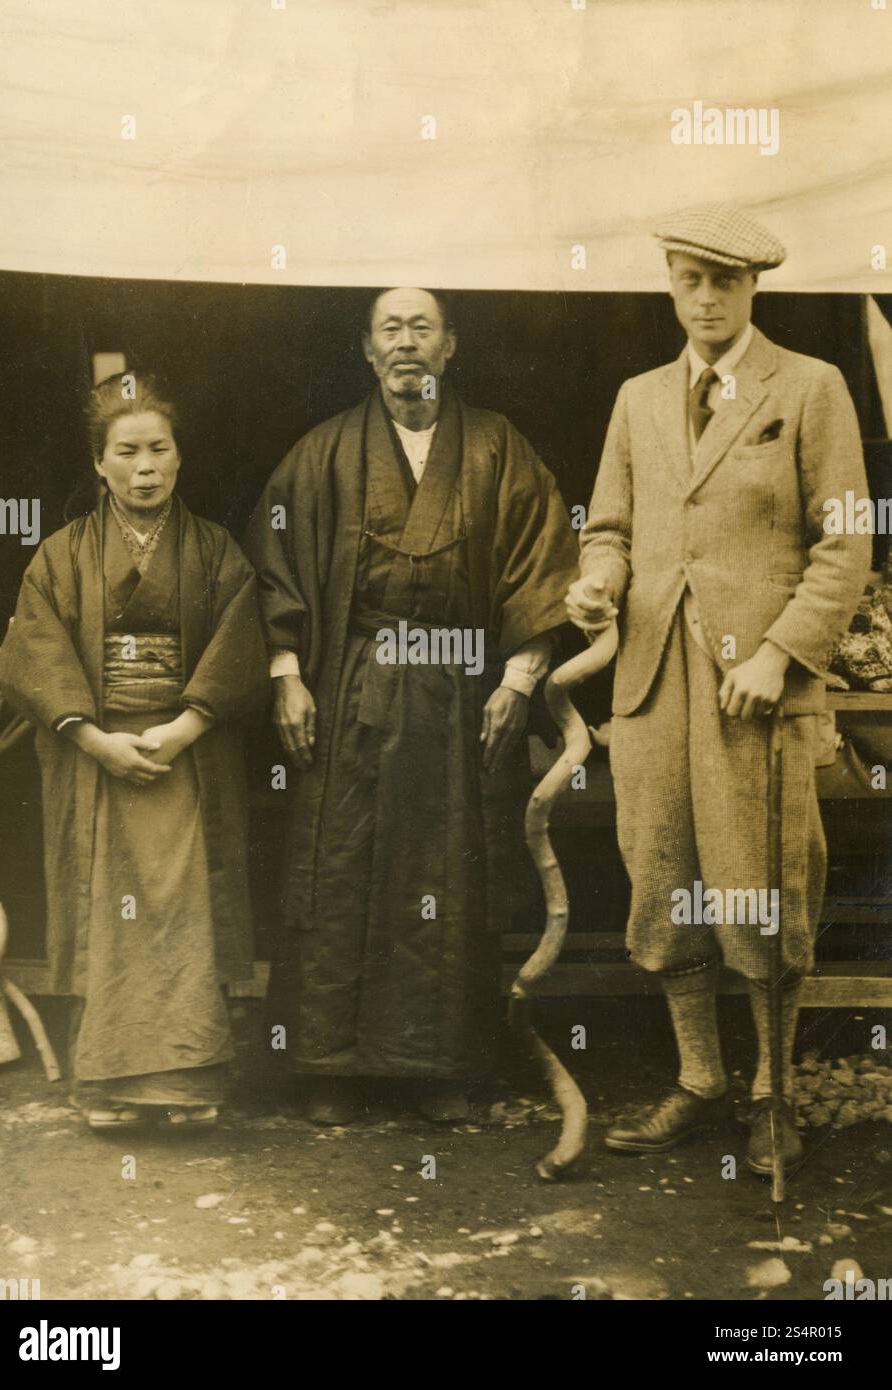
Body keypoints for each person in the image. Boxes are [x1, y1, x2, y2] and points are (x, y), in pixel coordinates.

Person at [567, 204, 871, 1174]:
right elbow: (607, 527)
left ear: (752, 289)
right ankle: (700, 1080)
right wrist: (597, 581)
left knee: (761, 883)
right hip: (653, 679)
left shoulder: (810, 387)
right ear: (667, 281)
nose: (704, 297)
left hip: (756, 688)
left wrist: (780, 652)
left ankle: (773, 1092)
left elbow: (846, 539)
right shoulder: (637, 398)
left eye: (723, 281)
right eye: (688, 278)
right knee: (664, 882)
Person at [245, 287, 578, 1124]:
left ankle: (442, 1071)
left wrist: (518, 681)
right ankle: (329, 1069)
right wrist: (286, 672)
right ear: (365, 350)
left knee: (449, 871)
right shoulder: (321, 454)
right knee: (339, 865)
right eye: (389, 329)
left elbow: (543, 566)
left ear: (449, 345)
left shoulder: (498, 449)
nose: (405, 344)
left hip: (460, 694)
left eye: (420, 328)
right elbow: (273, 567)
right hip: (352, 685)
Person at [0, 373, 269, 1131]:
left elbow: (240, 645)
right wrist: (90, 736)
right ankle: (108, 1084)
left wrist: (184, 726)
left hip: (186, 750)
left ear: (179, 458)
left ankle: (189, 1083)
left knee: (186, 913)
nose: (146, 466)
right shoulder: (60, 555)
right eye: (128, 452)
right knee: (108, 914)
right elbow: (33, 653)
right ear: (99, 465)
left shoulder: (214, 550)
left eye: (159, 449)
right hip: (97, 754)